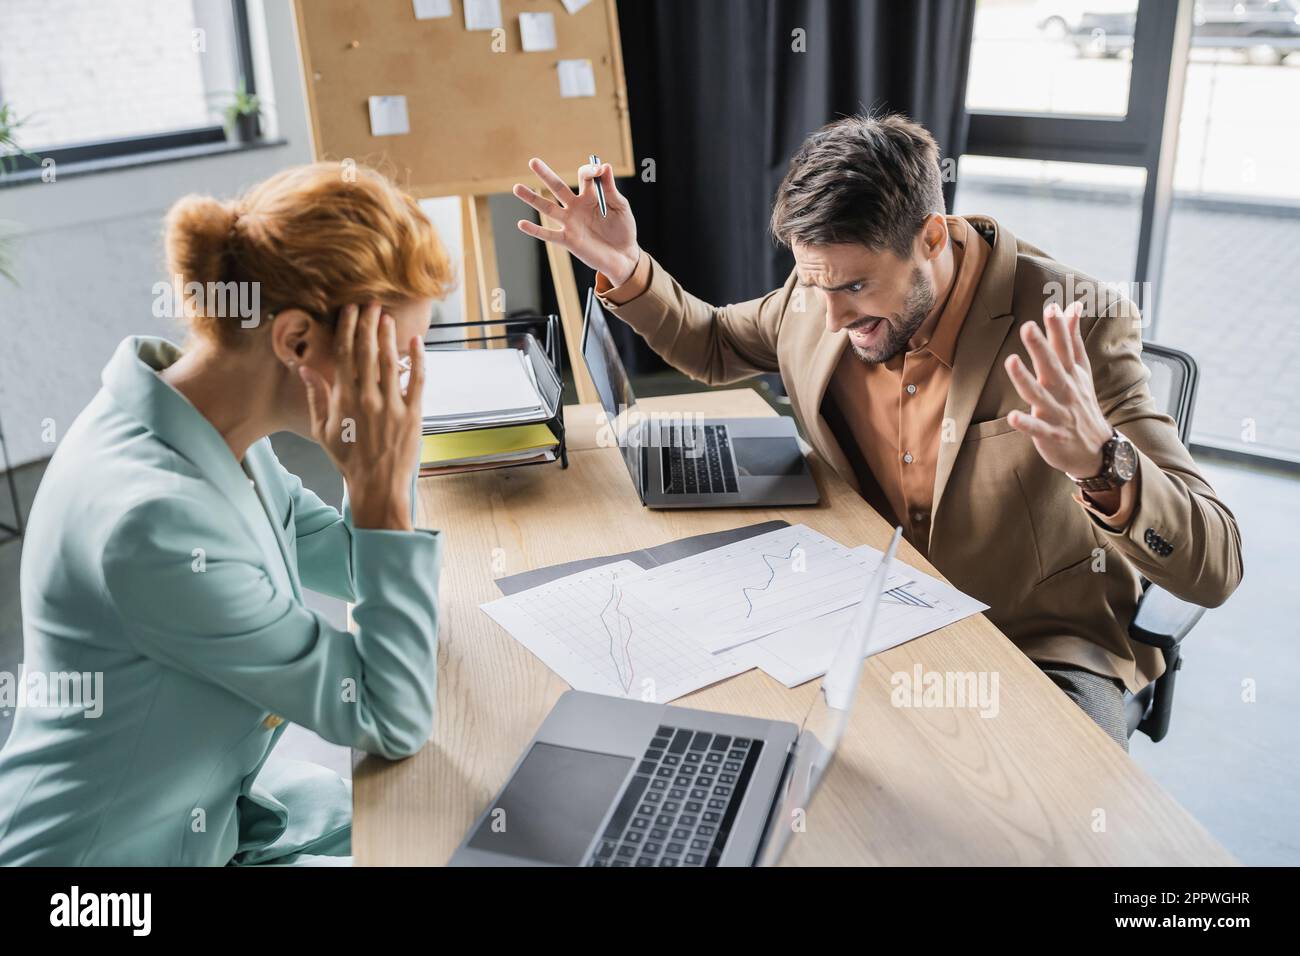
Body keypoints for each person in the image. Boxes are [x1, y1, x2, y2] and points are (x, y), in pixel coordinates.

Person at [512, 114, 1243, 750]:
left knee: (1050, 825)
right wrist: (625, 266)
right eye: (817, 284)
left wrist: (1102, 465)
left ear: (932, 237)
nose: (829, 316)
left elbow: (1216, 567)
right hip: (855, 608)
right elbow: (711, 343)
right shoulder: (821, 290)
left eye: (856, 287)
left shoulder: (1075, 321)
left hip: (1031, 645)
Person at [0, 162, 450, 864]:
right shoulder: (155, 524)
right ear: (297, 341)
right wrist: (381, 483)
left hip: (214, 813)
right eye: (389, 365)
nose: (398, 395)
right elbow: (389, 716)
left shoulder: (208, 426)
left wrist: (379, 466)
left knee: (443, 826)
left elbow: (354, 565)